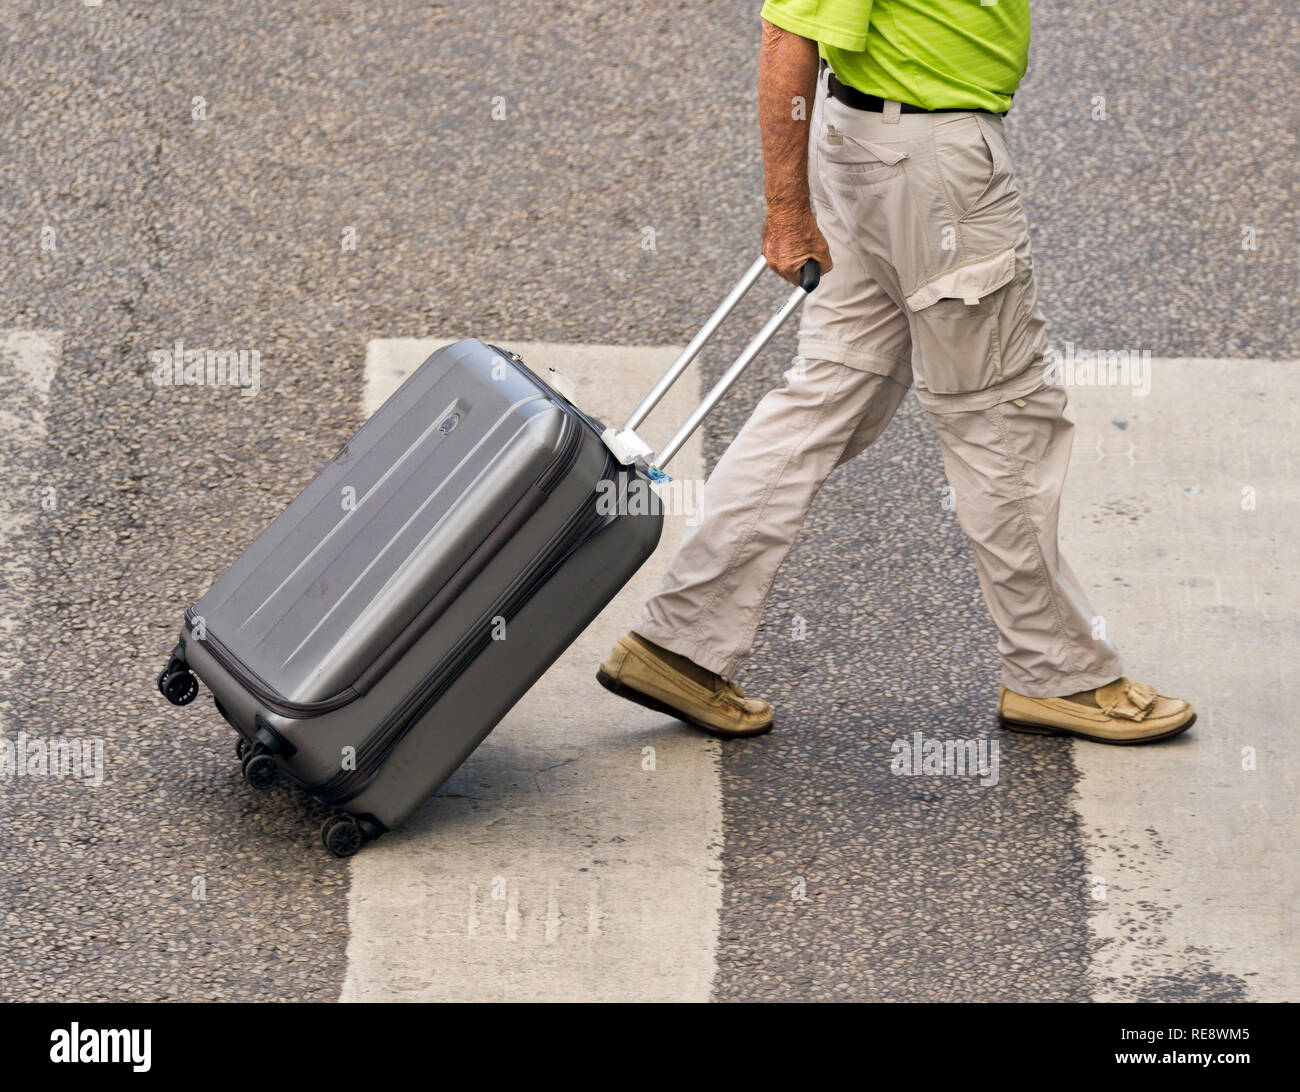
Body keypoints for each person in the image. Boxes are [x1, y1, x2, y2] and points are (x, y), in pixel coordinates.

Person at [597, 1, 1194, 746]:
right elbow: (789, 32)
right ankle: (1059, 674)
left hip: (866, 147)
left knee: (832, 389)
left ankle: (680, 644)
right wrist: (785, 210)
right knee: (1000, 420)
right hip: (929, 163)